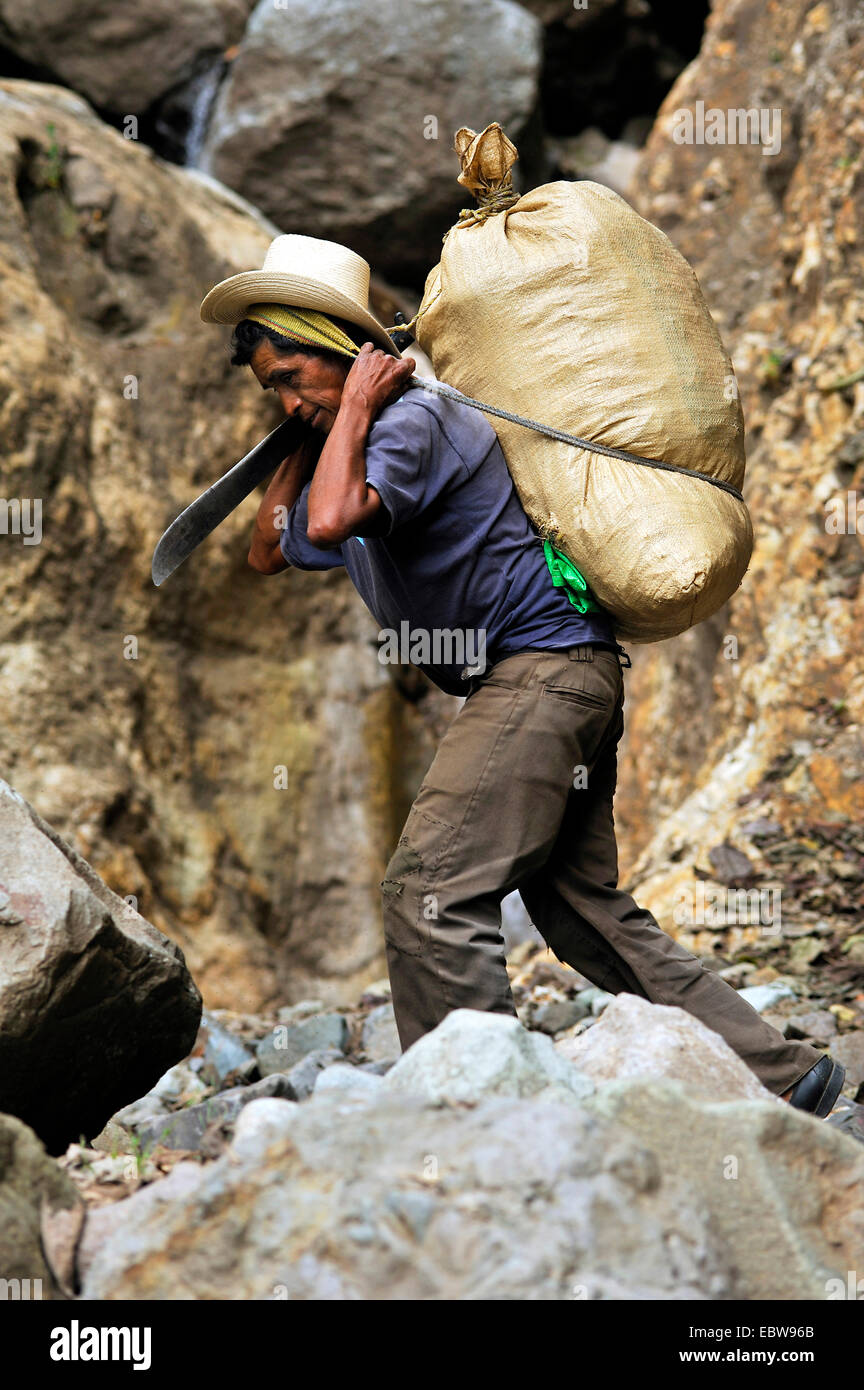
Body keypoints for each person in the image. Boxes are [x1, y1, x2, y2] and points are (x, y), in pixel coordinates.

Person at [200, 234, 845, 1119]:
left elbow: (342, 513)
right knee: (581, 908)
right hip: (561, 677)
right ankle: (784, 1074)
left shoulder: (410, 423)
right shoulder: (345, 439)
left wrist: (345, 409)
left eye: (287, 376)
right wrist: (301, 427)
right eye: (269, 387)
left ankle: (474, 1120)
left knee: (429, 891)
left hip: (541, 674)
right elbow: (269, 546)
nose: (283, 397)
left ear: (342, 355)